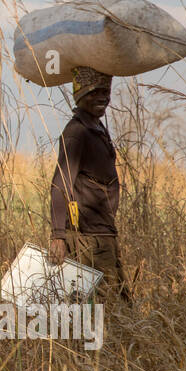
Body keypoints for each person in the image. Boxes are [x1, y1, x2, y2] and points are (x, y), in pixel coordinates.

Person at [47, 66, 129, 301]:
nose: (102, 97)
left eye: (106, 91)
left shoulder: (97, 129)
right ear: (80, 94)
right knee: (106, 306)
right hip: (88, 240)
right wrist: (58, 236)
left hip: (104, 235)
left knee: (115, 302)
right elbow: (60, 184)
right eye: (94, 92)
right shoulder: (76, 133)